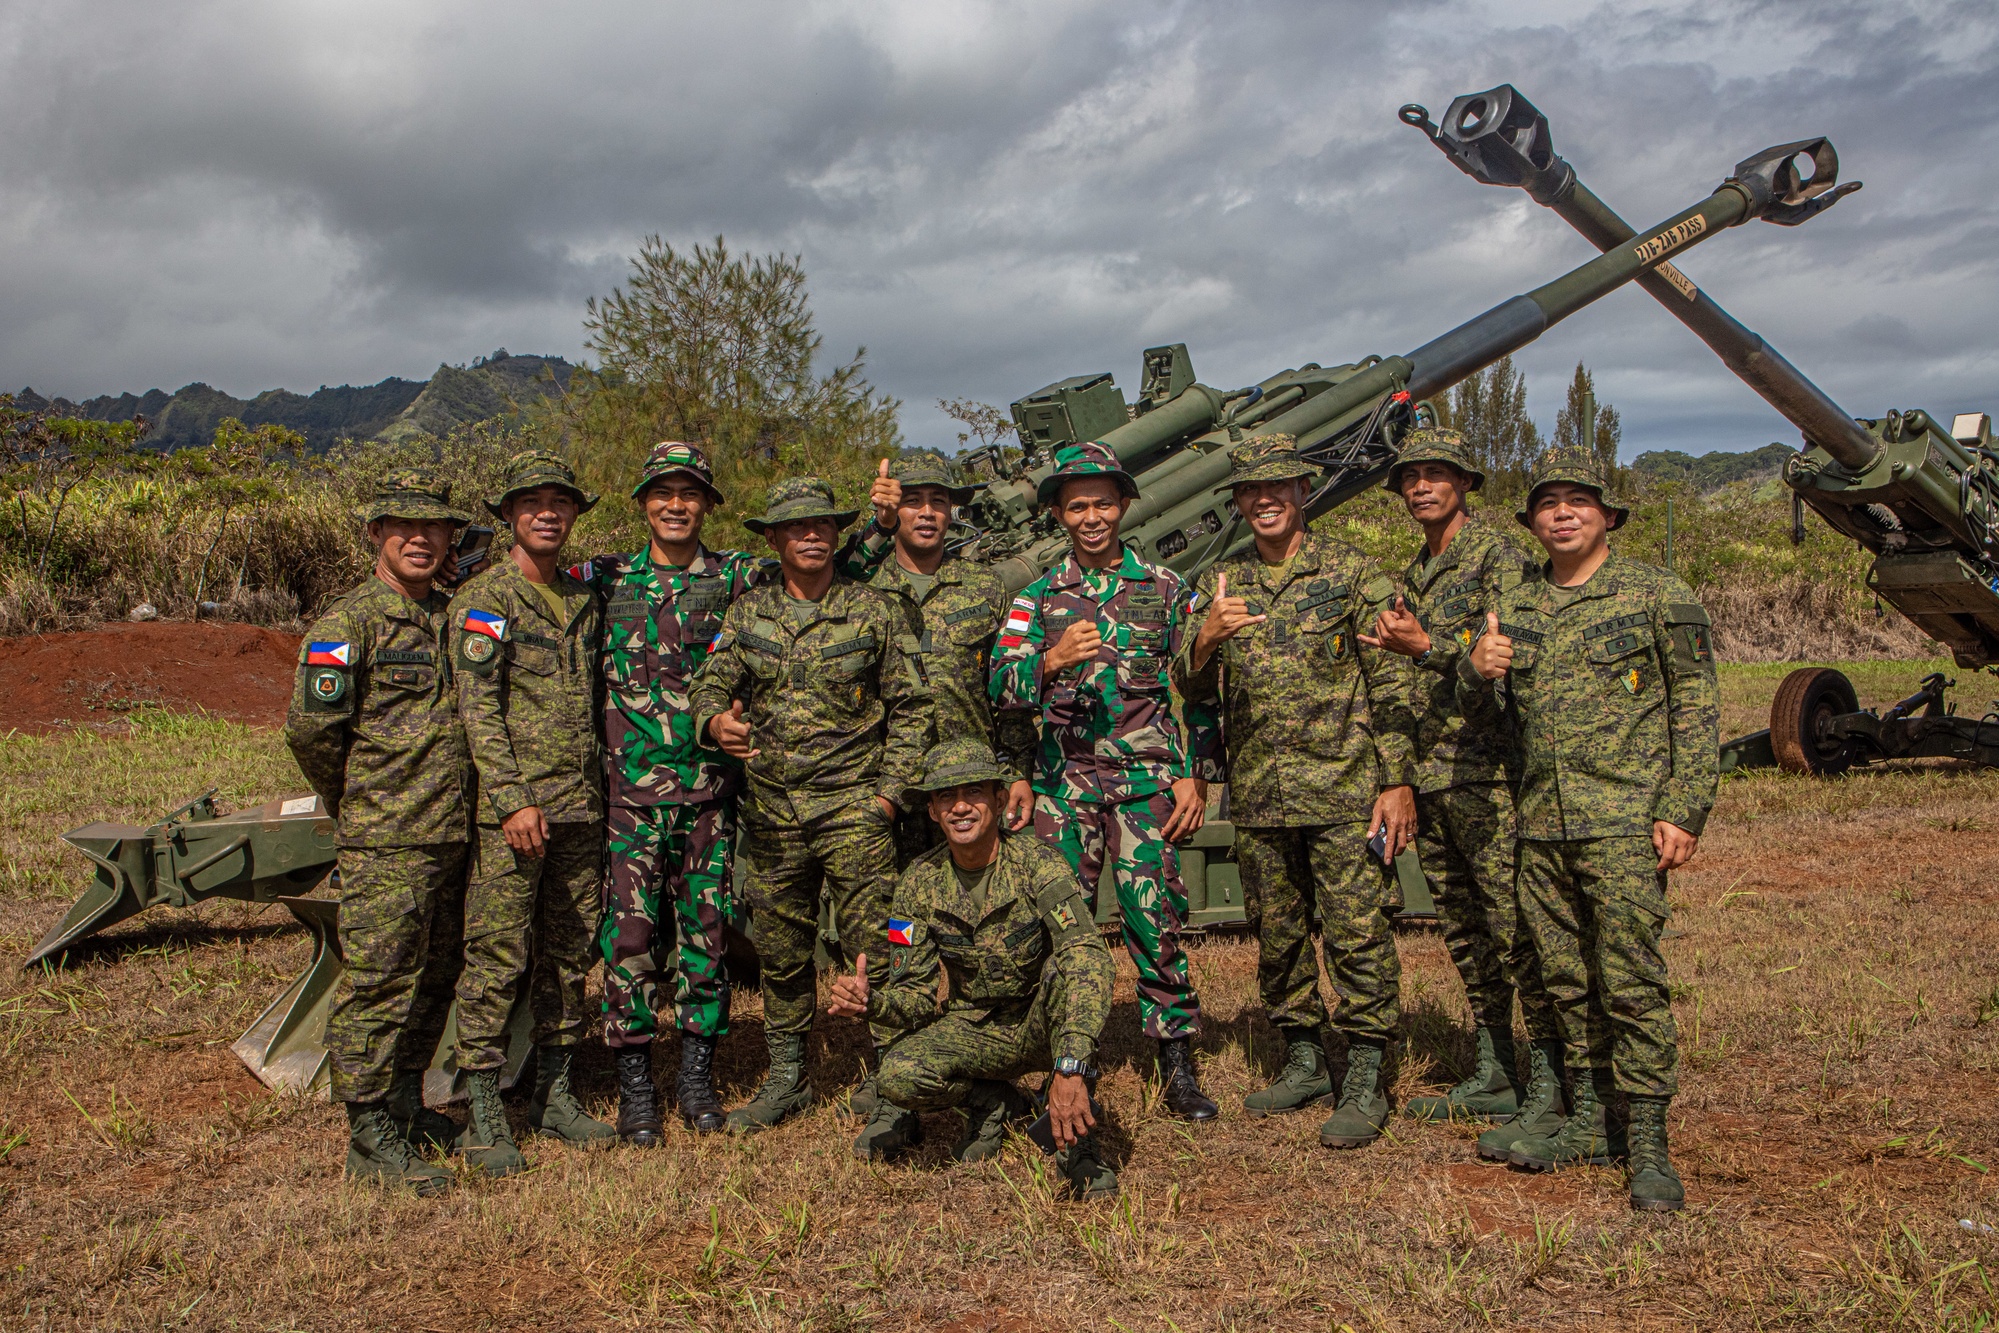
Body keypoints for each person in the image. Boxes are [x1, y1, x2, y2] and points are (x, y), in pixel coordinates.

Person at [1463, 447, 1717, 1211]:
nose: (1561, 513)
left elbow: (1696, 710)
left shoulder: (1655, 594)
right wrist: (1474, 668)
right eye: (1547, 503)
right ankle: (1589, 1118)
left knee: (1630, 982)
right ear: (1532, 521)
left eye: (1577, 501)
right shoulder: (1515, 601)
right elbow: (1486, 719)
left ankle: (1646, 1142)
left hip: (1623, 825)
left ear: (1608, 515)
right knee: (1565, 982)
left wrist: (1683, 806)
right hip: (1541, 827)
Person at [1174, 434, 1416, 1149]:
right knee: (1277, 936)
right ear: (1239, 501)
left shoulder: (1350, 573)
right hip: (1259, 793)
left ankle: (1367, 1072)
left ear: (1302, 492)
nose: (1264, 498)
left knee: (1356, 932)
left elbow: (1391, 675)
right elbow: (1187, 683)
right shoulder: (1222, 582)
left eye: (1278, 486)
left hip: (1344, 790)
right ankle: (1304, 1058)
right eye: (1251, 489)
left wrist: (1395, 780)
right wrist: (1205, 639)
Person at [688, 476, 935, 1134]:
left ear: (834, 533)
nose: (811, 535)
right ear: (772, 539)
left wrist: (888, 796)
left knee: (879, 943)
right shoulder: (748, 613)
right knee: (781, 951)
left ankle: (892, 1077)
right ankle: (787, 1077)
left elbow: (913, 706)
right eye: (796, 527)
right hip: (772, 816)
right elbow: (711, 677)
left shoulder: (872, 609)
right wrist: (714, 721)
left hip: (855, 809)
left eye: (822, 525)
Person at [990, 440, 1220, 1121]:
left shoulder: (1166, 588)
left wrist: (1193, 774)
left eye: (1102, 502)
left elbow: (1199, 685)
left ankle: (1176, 1065)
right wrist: (1051, 661)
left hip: (1147, 784)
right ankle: (1069, 1061)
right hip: (1065, 787)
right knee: (1061, 929)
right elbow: (1001, 686)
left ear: (1122, 505)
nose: (1091, 516)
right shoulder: (1035, 598)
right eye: (1076, 505)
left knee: (1158, 921)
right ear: (1059, 515)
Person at [1359, 429, 1565, 1154]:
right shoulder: (1416, 570)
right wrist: (1402, 773)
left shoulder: (1496, 559)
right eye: (1410, 476)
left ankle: (1551, 1080)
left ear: (1463, 484)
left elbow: (1504, 661)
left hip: (1491, 775)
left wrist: (1427, 647)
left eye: (1435, 474)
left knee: (1516, 933)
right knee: (1469, 935)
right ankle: (1494, 1067)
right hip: (1438, 775)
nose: (1420, 486)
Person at [285, 472, 475, 1196]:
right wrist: (358, 800)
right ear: (374, 533)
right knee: (379, 982)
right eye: (405, 526)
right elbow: (310, 731)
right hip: (386, 838)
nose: (421, 539)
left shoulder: (456, 618)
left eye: (436, 528)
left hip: (455, 834)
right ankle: (366, 1135)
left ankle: (404, 1106)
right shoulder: (347, 625)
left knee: (437, 977)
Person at [826, 739, 1118, 1195]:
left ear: (1000, 800)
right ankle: (991, 1104)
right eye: (946, 797)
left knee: (1069, 973)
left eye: (975, 793)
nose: (961, 807)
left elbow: (1087, 956)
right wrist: (872, 1002)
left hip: (1041, 1020)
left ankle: (1075, 1144)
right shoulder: (917, 885)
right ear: (932, 811)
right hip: (975, 1027)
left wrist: (1071, 1061)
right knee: (897, 1074)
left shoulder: (1038, 865)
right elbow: (915, 999)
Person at [583, 442, 771, 1141]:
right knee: (629, 940)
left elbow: (819, 561)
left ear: (708, 506)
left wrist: (876, 525)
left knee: (707, 938)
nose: (675, 504)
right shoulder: (603, 580)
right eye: (662, 492)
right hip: (630, 799)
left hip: (707, 796)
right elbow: (518, 580)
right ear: (642, 503)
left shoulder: (735, 577)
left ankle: (695, 1076)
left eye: (689, 493)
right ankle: (635, 1086)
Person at [450, 450, 617, 1174]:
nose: (547, 512)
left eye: (559, 501)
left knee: (567, 953)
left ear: (574, 514)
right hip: (515, 813)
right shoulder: (486, 600)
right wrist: (512, 796)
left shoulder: (582, 598)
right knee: (496, 956)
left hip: (580, 807)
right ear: (510, 516)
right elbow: (477, 706)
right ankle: (482, 1109)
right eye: (532, 502)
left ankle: (553, 1092)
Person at [836, 451, 1037, 863]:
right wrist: (879, 524)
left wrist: (1017, 773)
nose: (927, 512)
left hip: (970, 787)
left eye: (939, 501)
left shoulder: (984, 586)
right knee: (900, 914)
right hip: (889, 787)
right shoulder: (860, 585)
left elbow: (1006, 693)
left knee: (974, 904)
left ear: (952, 512)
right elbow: (828, 571)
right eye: (912, 500)